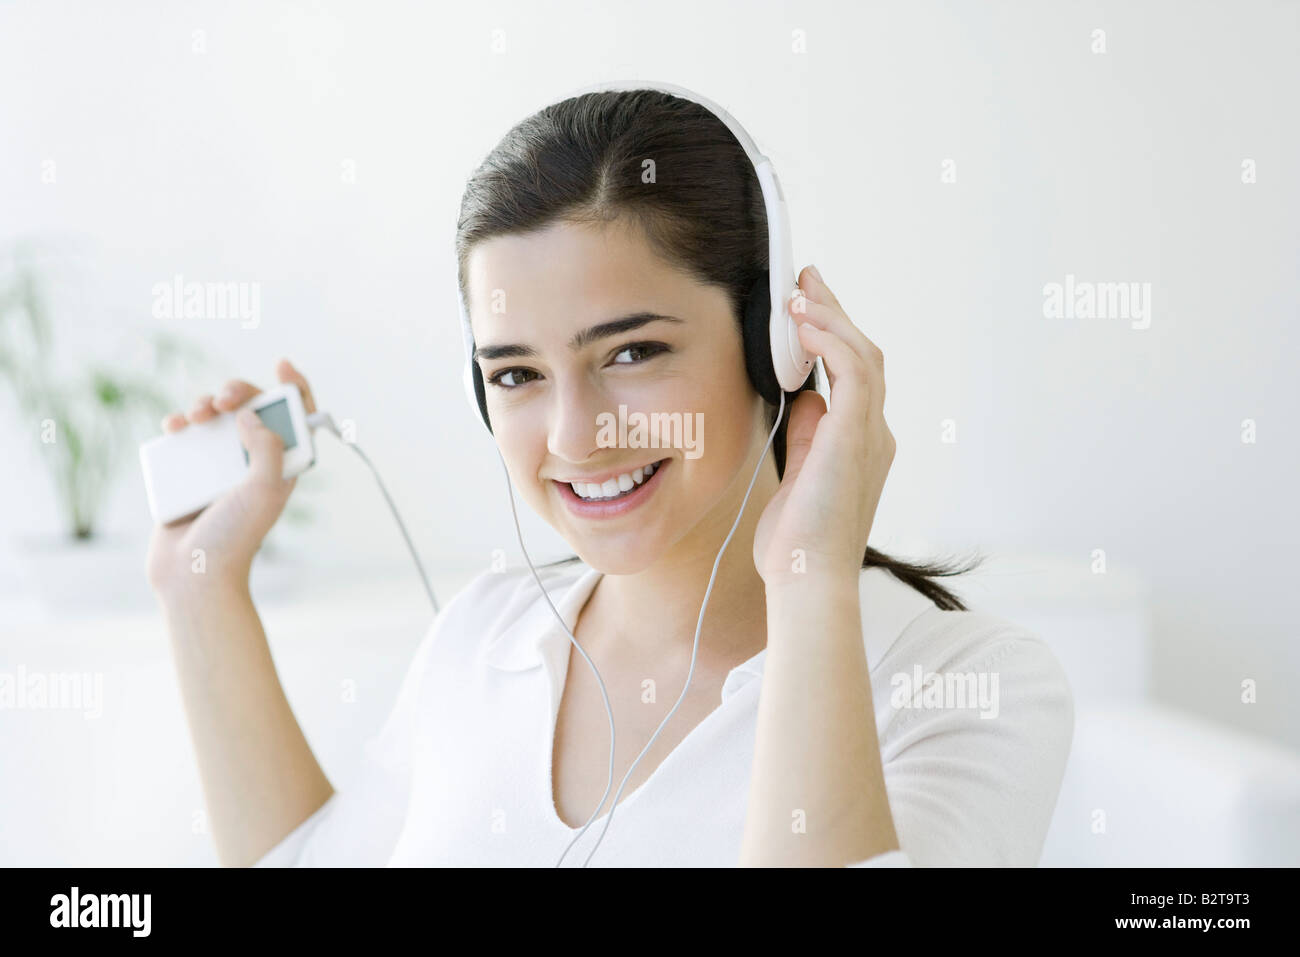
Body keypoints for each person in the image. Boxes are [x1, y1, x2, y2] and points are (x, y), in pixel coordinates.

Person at [147, 89, 1073, 867]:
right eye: (517, 373)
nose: (577, 434)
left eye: (632, 351)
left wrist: (811, 584)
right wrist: (201, 591)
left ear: (774, 343)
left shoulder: (964, 684)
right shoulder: (482, 635)